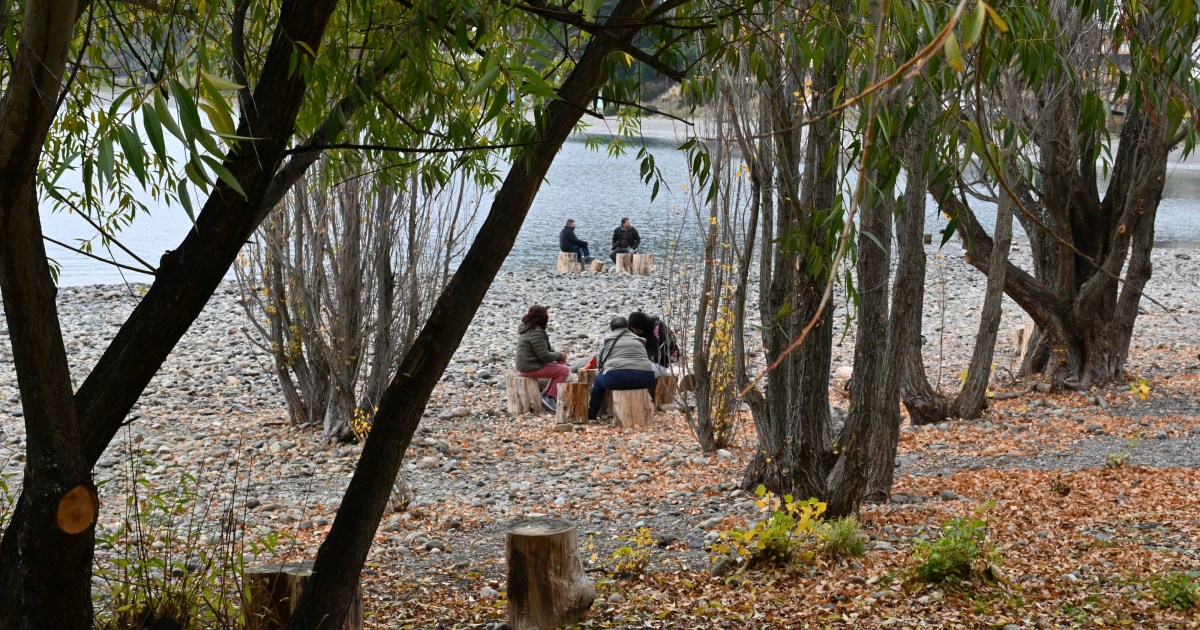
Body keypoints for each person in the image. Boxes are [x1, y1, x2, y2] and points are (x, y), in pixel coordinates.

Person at [589, 316, 656, 420]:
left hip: (617, 379)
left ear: (611, 329)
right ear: (627, 327)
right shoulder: (640, 339)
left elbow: (600, 362)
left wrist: (605, 371)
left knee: (598, 380)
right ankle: (648, 408)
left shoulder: (606, 340)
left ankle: (592, 415)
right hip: (646, 378)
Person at [514, 304, 569, 412]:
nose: (548, 317)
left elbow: (543, 349)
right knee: (564, 371)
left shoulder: (528, 328)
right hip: (529, 367)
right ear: (541, 317)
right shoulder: (536, 332)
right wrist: (560, 355)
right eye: (546, 315)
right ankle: (550, 397)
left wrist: (557, 356)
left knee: (558, 367)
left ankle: (545, 395)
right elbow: (544, 356)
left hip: (526, 365)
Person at [628, 311, 670, 377]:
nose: (635, 332)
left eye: (637, 329)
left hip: (658, 364)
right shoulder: (633, 332)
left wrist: (648, 355)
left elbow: (669, 350)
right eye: (633, 330)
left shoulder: (659, 329)